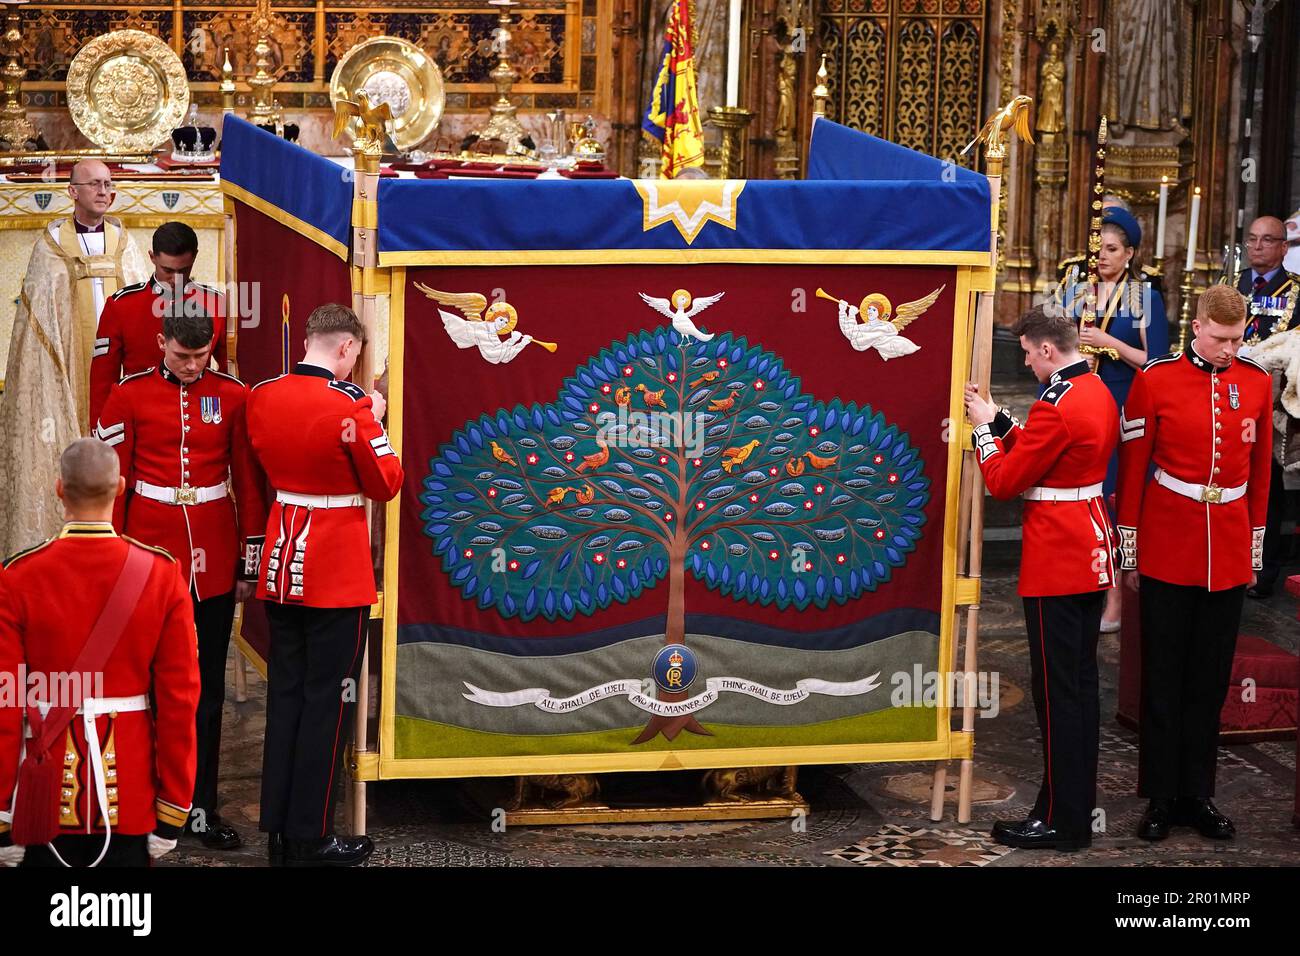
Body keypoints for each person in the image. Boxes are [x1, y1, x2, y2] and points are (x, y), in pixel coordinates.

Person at [94, 308, 265, 851]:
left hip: (214, 551)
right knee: (141, 687)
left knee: (206, 687)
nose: (192, 367)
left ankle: (199, 808)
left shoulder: (234, 395)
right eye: (181, 355)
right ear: (160, 342)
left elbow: (247, 480)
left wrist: (249, 560)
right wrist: (110, 558)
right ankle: (141, 803)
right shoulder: (128, 395)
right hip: (145, 553)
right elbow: (112, 482)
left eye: (201, 356)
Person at [245, 303, 402, 867]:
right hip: (333, 564)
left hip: (282, 553)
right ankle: (310, 837)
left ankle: (279, 831)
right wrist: (374, 419)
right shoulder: (351, 406)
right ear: (344, 349)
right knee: (326, 704)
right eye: (356, 356)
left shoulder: (261, 394)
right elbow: (386, 483)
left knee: (284, 696)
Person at [1117, 284, 1272, 842]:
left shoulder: (1256, 383)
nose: (1231, 348)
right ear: (1199, 325)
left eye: (1238, 338)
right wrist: (1129, 549)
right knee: (1162, 678)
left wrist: (1254, 549)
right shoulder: (1154, 380)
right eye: (1222, 337)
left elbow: (1260, 475)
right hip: (1167, 542)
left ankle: (1197, 794)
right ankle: (1160, 796)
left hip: (1227, 549)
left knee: (1209, 682)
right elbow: (1134, 468)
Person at [0, 438, 200, 867]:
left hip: (41, 794)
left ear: (59, 489)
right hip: (130, 791)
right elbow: (180, 701)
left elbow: (5, 702)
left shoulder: (17, 576)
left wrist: (1, 811)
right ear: (121, 487)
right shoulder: (162, 573)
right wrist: (173, 805)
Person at [965, 307, 1118, 851]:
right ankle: (1068, 808)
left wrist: (984, 431)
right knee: (1077, 688)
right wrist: (1002, 418)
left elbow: (1006, 480)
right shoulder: (1094, 388)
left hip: (1059, 555)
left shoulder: (1058, 403)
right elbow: (1049, 449)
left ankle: (1063, 819)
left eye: (1028, 353)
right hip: (1091, 546)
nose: (1027, 361)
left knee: (1057, 695)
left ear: (1047, 350)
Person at [0, 160, 149, 557]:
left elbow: (138, 304)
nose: (104, 191)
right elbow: (38, 327)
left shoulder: (124, 242)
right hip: (70, 367)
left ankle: (121, 539)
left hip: (119, 371)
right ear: (73, 192)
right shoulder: (50, 246)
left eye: (108, 184)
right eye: (95, 184)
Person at [1058, 206, 1168, 631]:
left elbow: (1157, 362)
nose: (1102, 256)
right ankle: (1081, 580)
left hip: (1122, 407)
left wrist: (1107, 343)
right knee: (1079, 494)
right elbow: (1052, 338)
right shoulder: (1072, 289)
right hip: (1080, 406)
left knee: (1110, 498)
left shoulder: (1145, 296)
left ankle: (1116, 599)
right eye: (1097, 249)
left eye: (1111, 249)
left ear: (1130, 254)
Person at [89, 221, 227, 427]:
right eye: (168, 270)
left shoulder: (216, 303)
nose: (175, 279)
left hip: (199, 419)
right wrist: (101, 433)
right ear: (152, 257)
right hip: (140, 417)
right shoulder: (122, 306)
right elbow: (102, 381)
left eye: (184, 270)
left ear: (194, 257)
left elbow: (227, 371)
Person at [1225, 216, 1297, 598]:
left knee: (1265, 485)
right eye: (1251, 239)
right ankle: (1226, 561)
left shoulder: (1297, 293)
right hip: (1226, 394)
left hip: (1273, 402)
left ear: (1284, 248)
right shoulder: (1229, 286)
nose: (1257, 247)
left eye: (1267, 240)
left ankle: (1263, 570)